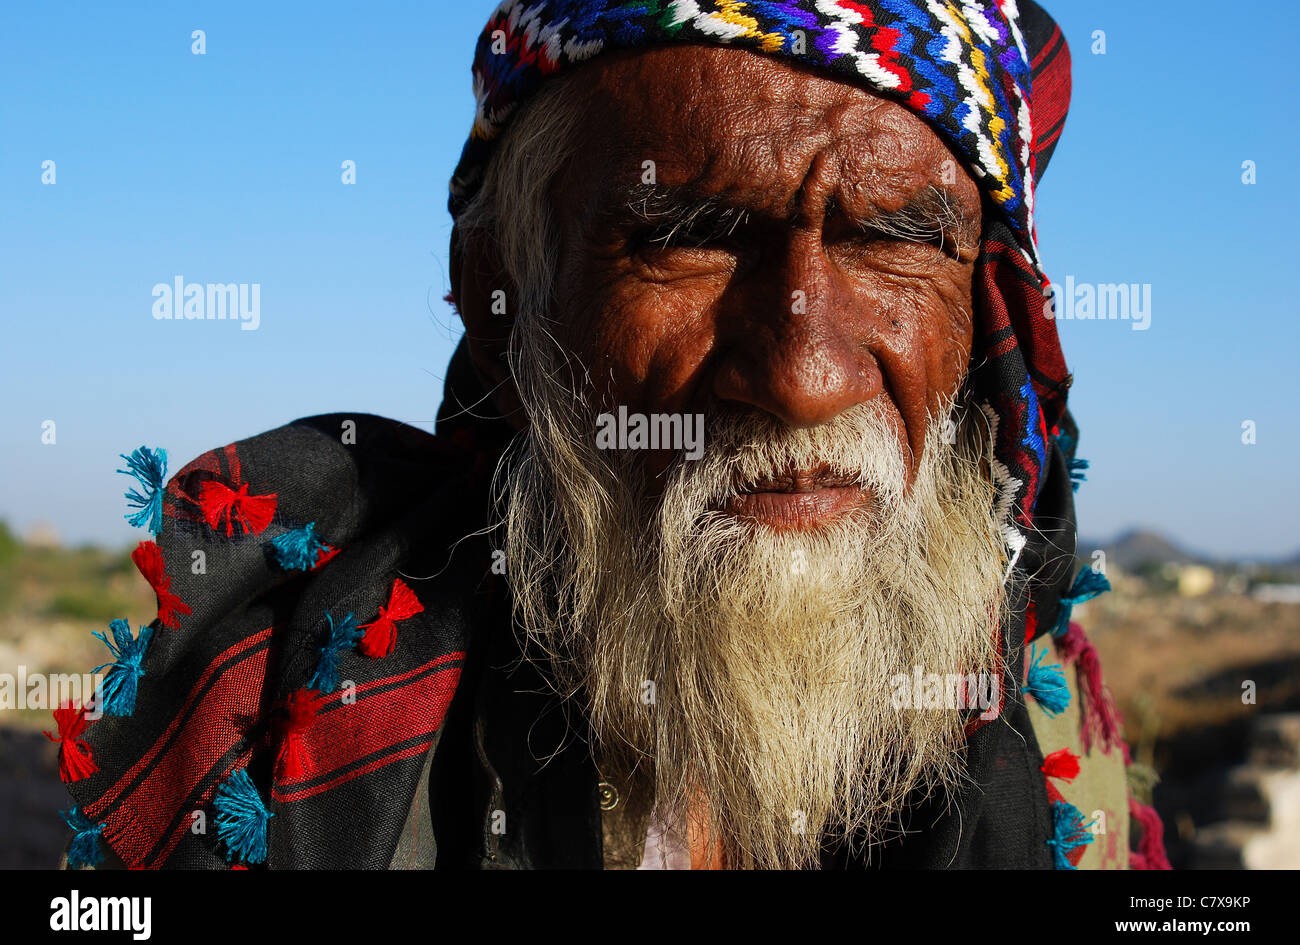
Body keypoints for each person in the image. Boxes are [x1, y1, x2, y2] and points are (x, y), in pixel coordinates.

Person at [53, 0, 1168, 870]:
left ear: (981, 316)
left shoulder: (1054, 746)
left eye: (890, 238)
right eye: (687, 237)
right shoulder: (286, 713)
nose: (801, 377)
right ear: (499, 296)